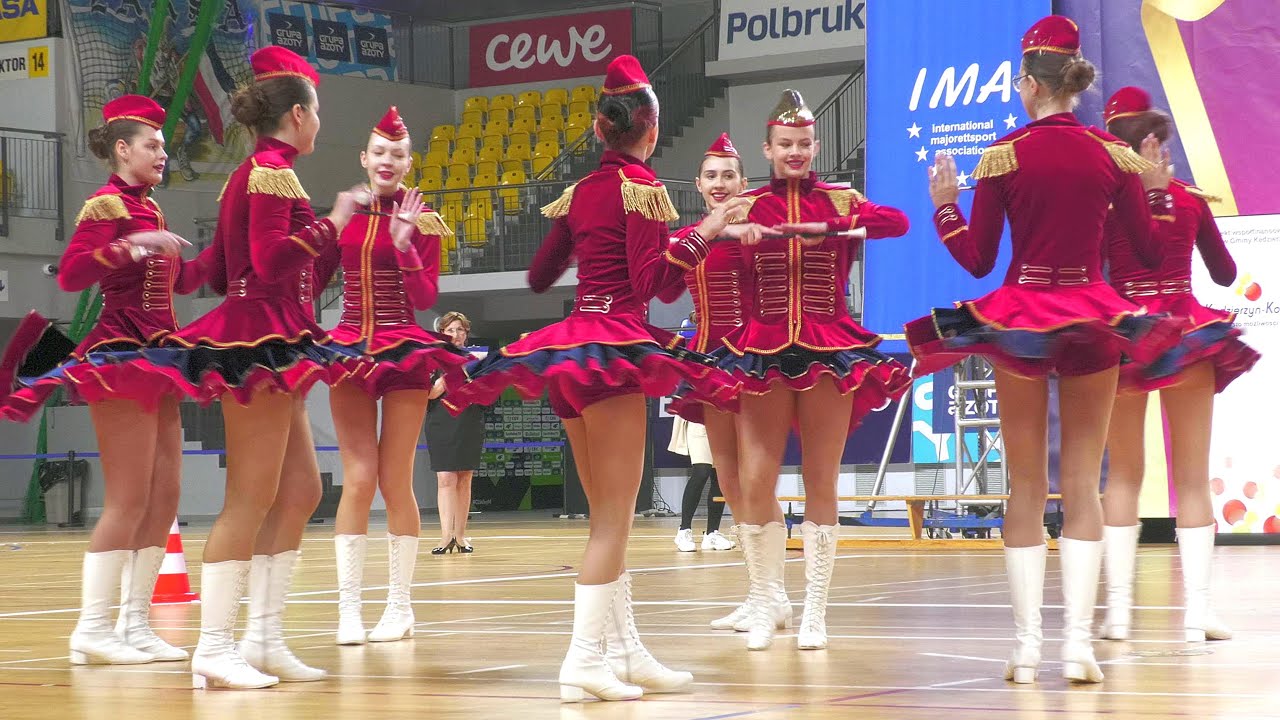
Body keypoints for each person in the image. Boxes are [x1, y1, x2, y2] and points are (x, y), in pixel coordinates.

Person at [443, 55, 744, 702]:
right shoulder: (643, 188)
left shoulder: (578, 193)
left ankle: (625, 650)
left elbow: (538, 277)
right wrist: (706, 233)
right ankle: (583, 660)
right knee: (613, 520)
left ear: (601, 128)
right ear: (650, 128)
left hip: (572, 353)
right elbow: (652, 283)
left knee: (606, 518)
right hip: (614, 352)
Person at [903, 16, 1181, 684]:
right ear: (1074, 81)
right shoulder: (1115, 156)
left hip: (1023, 315)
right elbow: (1146, 253)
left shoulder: (1002, 155)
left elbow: (976, 262)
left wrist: (945, 205)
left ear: (1029, 83)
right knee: (1084, 479)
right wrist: (1157, 195)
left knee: (1026, 484)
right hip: (1090, 312)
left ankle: (1027, 648)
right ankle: (1077, 646)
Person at [142, 46, 357, 689]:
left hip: (278, 332)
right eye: (317, 113)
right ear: (298, 114)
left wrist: (338, 237)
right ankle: (215, 645)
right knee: (251, 497)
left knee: (301, 491)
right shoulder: (269, 172)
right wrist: (331, 223)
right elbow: (265, 264)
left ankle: (263, 638)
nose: (320, 123)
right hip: (257, 339)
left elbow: (254, 269)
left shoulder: (265, 172)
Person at [0, 96, 206, 666]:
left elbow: (182, 284)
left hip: (161, 351)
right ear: (122, 149)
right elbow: (72, 274)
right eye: (153, 145)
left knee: (164, 496)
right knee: (129, 496)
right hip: (121, 355)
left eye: (164, 145)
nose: (164, 153)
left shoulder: (153, 209)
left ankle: (135, 624)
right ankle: (92, 628)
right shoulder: (105, 205)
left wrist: (227, 257)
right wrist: (131, 244)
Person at [715, 91, 912, 652]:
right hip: (762, 348)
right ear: (768, 149)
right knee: (755, 478)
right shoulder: (749, 204)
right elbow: (699, 249)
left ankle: (815, 612)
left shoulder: (841, 198)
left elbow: (895, 223)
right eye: (785, 145)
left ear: (816, 146)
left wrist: (846, 219)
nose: (795, 152)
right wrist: (731, 231)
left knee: (821, 477)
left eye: (804, 144)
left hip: (829, 346)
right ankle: (764, 599)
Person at [1098, 86, 1259, 644]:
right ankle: (1199, 610)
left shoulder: (1104, 200)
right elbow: (1223, 272)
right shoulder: (1189, 198)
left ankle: (1118, 614)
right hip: (1188, 335)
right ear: (1158, 140)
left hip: (1123, 337)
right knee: (1190, 477)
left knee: (1122, 474)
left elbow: (1093, 270)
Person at [323, 107, 470, 646]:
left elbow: (427, 297)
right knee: (359, 478)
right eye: (378, 152)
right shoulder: (347, 212)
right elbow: (314, 271)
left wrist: (406, 244)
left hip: (404, 350)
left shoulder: (423, 219)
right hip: (348, 348)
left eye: (398, 154)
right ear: (364, 159)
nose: (388, 161)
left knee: (395, 479)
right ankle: (347, 610)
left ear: (410, 163)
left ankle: (400, 606)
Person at [657, 133, 754, 558]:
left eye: (729, 176)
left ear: (743, 183)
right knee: (725, 475)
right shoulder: (686, 240)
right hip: (710, 364)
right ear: (697, 184)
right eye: (711, 176)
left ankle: (769, 587)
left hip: (758, 358)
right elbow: (658, 290)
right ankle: (761, 588)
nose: (720, 183)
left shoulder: (762, 231)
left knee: (757, 471)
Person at [425, 311, 486, 555]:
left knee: (464, 478)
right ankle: (445, 536)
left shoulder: (475, 359)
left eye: (460, 330)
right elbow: (429, 394)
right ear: (442, 333)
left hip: (469, 419)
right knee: (445, 478)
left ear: (466, 333)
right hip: (440, 420)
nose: (456, 334)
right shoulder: (431, 360)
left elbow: (485, 391)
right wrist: (447, 377)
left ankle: (460, 536)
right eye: (450, 330)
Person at [667, 414, 734, 552]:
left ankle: (712, 533)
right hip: (698, 420)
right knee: (701, 471)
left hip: (723, 421)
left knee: (719, 475)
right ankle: (684, 530)